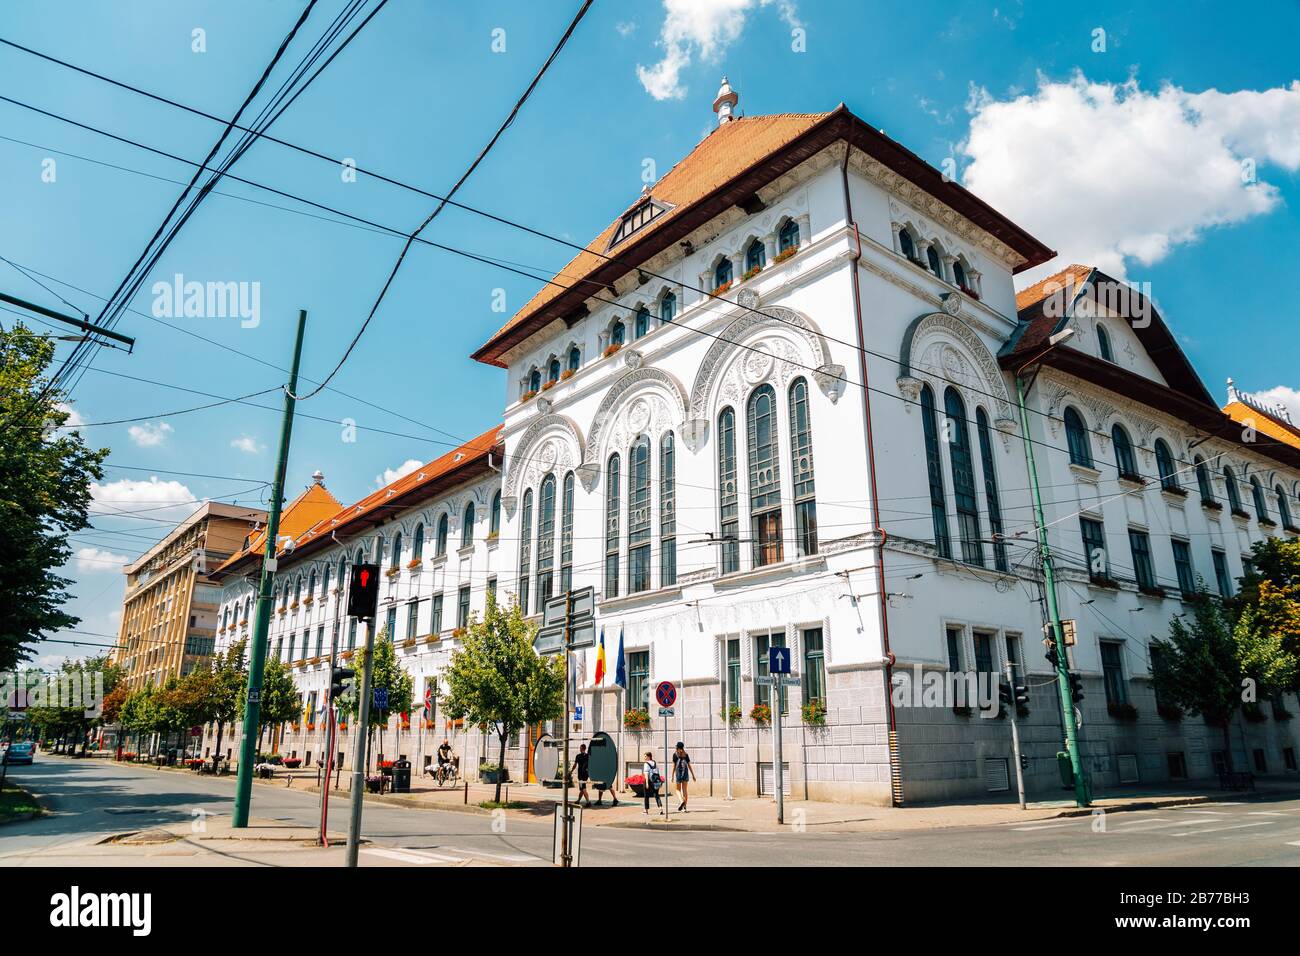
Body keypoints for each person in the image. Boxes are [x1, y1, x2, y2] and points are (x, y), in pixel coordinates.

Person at [672, 741, 696, 812]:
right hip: (685, 774)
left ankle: (681, 800)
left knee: (677, 790)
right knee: (685, 790)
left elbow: (674, 766)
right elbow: (689, 765)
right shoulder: (686, 755)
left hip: (679, 774)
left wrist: (672, 775)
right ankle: (685, 807)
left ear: (677, 747)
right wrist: (693, 775)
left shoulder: (675, 755)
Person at [642, 751, 665, 815]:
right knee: (656, 795)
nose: (644, 758)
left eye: (645, 756)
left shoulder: (646, 764)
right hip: (655, 781)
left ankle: (646, 811)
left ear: (649, 756)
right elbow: (657, 772)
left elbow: (646, 774)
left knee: (646, 796)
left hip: (649, 780)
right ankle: (661, 809)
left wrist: (646, 783)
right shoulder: (654, 763)